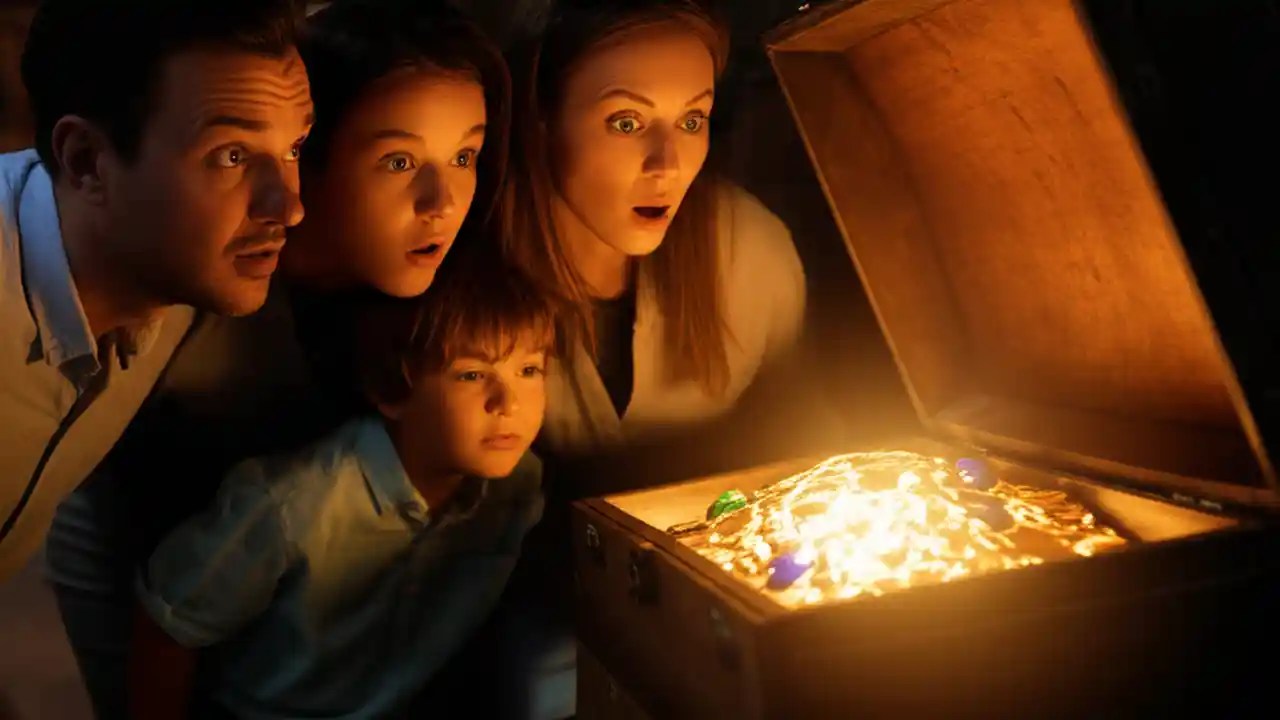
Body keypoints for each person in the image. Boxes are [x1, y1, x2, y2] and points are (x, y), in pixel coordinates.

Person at [43, 1, 512, 716]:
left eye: (464, 156)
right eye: (398, 160)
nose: (441, 201)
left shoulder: (428, 294)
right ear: (309, 154)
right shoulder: (195, 317)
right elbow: (148, 594)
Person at [448, 1, 821, 717]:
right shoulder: (466, 278)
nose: (669, 161)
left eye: (692, 119)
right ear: (543, 117)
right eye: (627, 122)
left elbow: (802, 441)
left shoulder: (751, 254)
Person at [132, 250, 553, 719]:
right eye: (472, 374)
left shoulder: (517, 486)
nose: (508, 402)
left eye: (529, 370)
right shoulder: (294, 503)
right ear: (392, 388)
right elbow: (168, 628)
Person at [0, 0, 311, 583]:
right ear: (87, 160)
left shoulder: (176, 279)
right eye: (233, 156)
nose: (289, 206)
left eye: (294, 148)